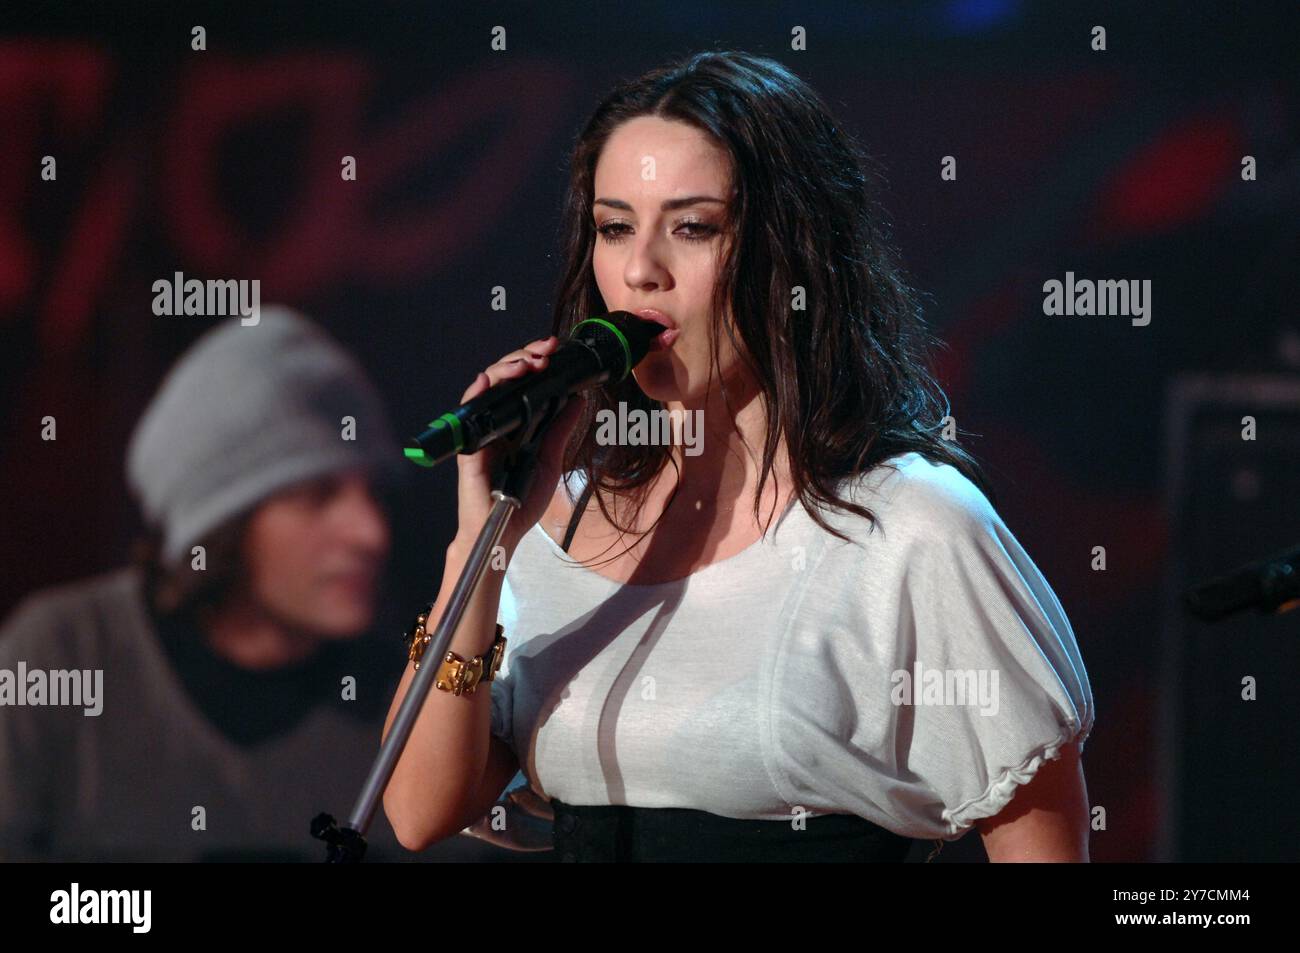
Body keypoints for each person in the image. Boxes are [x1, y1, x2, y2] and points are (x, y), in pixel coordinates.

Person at [383, 51, 1094, 862]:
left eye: (692, 227)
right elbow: (415, 808)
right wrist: (484, 542)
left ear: (791, 254)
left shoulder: (913, 528)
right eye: (615, 227)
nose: (641, 269)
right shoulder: (559, 516)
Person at [0, 307, 425, 861]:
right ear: (223, 523)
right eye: (316, 494)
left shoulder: (404, 702)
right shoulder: (65, 653)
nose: (370, 532)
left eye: (373, 493)